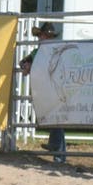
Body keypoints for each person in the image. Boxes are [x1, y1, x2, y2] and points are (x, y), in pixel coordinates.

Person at [19, 21, 66, 164]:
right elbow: (22, 62)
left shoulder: (55, 51)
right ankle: (58, 152)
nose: (41, 38)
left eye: (43, 36)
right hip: (47, 90)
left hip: (54, 89)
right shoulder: (38, 52)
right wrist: (27, 64)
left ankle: (56, 149)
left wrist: (29, 65)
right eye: (40, 36)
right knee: (55, 118)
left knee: (56, 118)